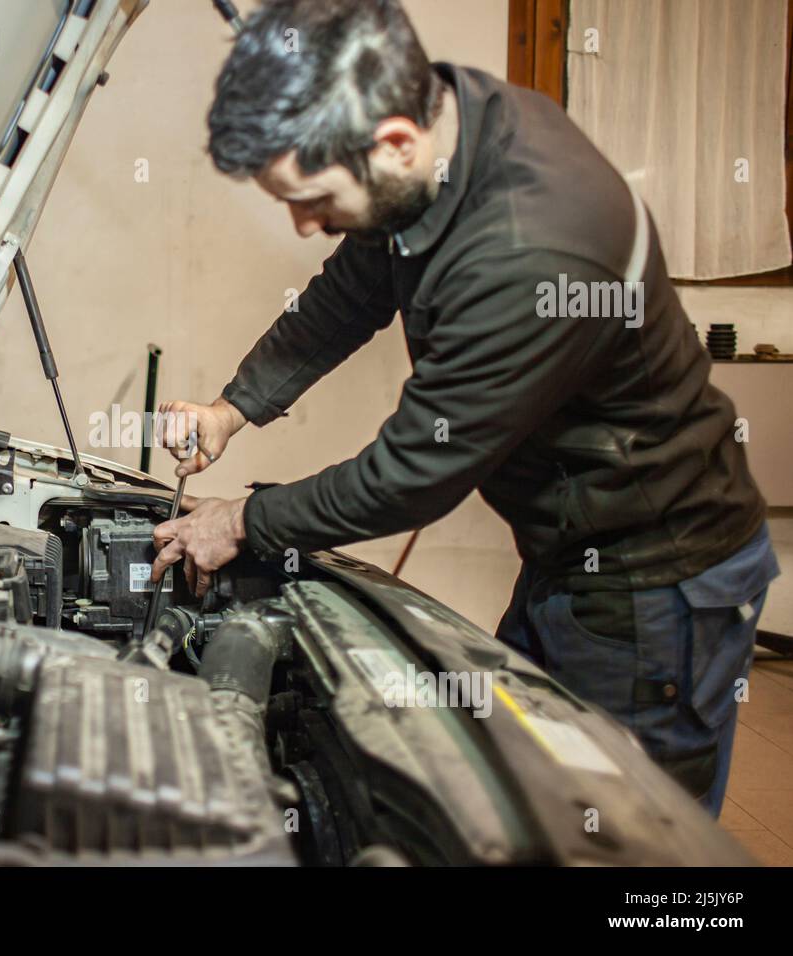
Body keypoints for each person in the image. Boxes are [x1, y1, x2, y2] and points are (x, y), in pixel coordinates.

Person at [149, 0, 778, 816]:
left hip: (656, 582)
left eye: (312, 198)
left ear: (396, 144)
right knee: (530, 796)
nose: (305, 226)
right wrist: (232, 409)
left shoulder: (533, 249)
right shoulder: (448, 124)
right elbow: (349, 292)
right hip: (569, 555)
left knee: (624, 832)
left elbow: (413, 472)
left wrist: (242, 521)